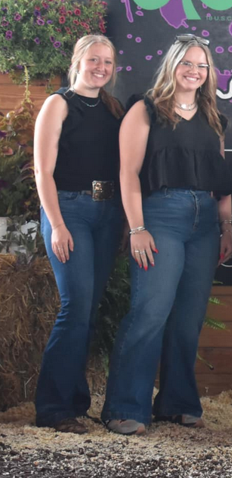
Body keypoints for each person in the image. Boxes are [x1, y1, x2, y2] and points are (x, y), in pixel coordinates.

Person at [101, 34, 232, 435]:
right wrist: (137, 227)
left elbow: (221, 178)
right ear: (172, 65)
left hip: (204, 220)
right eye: (187, 63)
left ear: (208, 73)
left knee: (188, 318)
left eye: (201, 65)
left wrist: (225, 227)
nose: (194, 71)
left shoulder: (213, 116)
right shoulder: (145, 110)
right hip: (160, 216)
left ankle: (176, 402)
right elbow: (127, 173)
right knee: (151, 311)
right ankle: (124, 407)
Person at [32, 35, 126, 434]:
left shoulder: (112, 107)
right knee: (74, 308)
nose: (100, 67)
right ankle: (52, 408)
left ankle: (75, 402)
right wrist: (56, 224)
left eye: (107, 61)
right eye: (93, 59)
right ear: (78, 61)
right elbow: (43, 172)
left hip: (106, 214)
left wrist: (122, 221)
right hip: (68, 210)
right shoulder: (58, 104)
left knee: (87, 312)